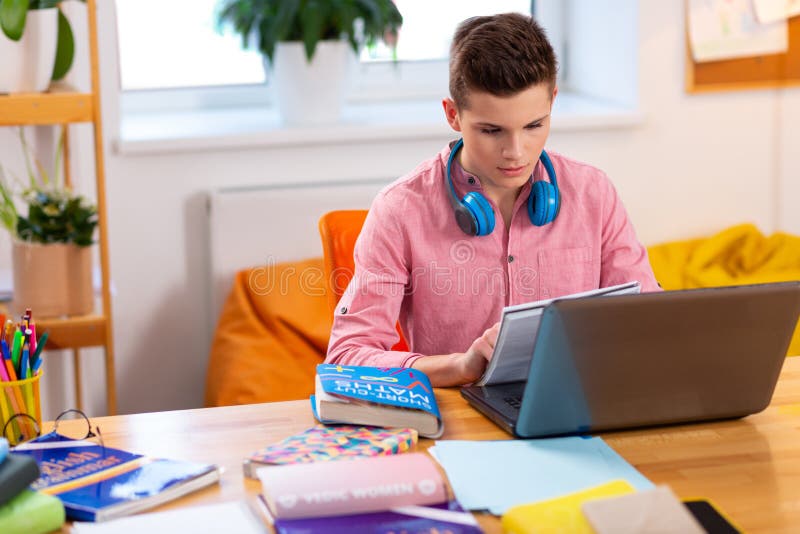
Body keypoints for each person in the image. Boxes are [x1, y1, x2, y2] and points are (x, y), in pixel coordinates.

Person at [325, 12, 660, 387]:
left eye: (534, 126)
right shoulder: (400, 210)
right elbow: (347, 357)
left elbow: (648, 323)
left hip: (577, 406)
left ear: (552, 100)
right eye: (491, 130)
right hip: (464, 422)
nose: (515, 152)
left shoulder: (593, 193)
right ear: (453, 114)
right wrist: (458, 366)